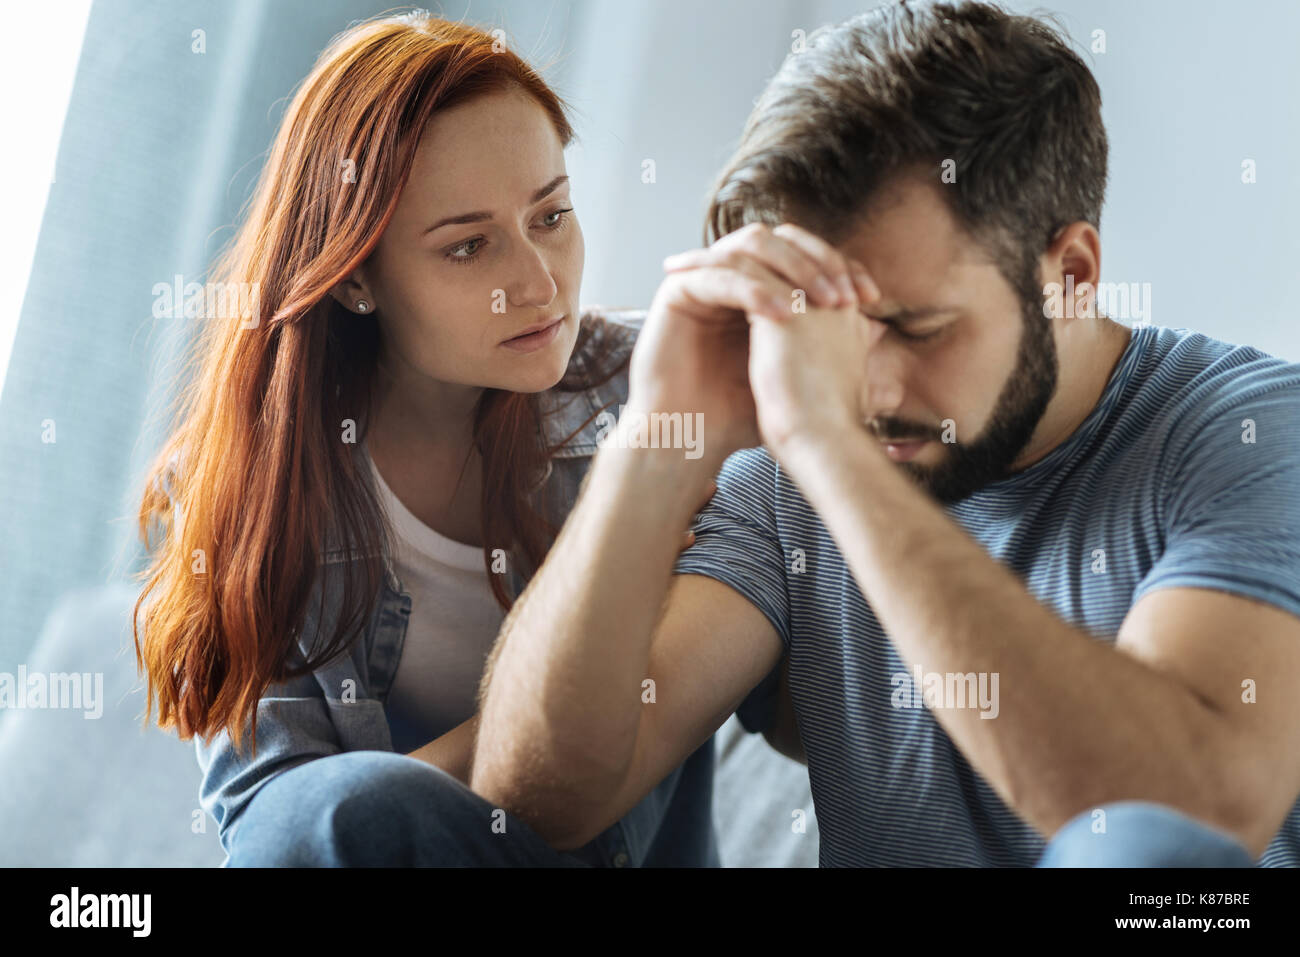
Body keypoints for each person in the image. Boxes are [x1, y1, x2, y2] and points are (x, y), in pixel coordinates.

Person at [470, 1, 1300, 866]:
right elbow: (536, 801)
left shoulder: (1252, 434)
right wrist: (655, 435)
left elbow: (1189, 821)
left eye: (916, 326)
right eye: (827, 326)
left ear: (1072, 275)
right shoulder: (782, 475)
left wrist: (833, 453)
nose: (867, 387)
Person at [132, 10, 724, 867]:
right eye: (469, 247)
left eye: (551, 217)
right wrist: (532, 735)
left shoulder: (657, 392)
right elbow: (279, 825)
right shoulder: (250, 478)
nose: (536, 282)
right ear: (358, 277)